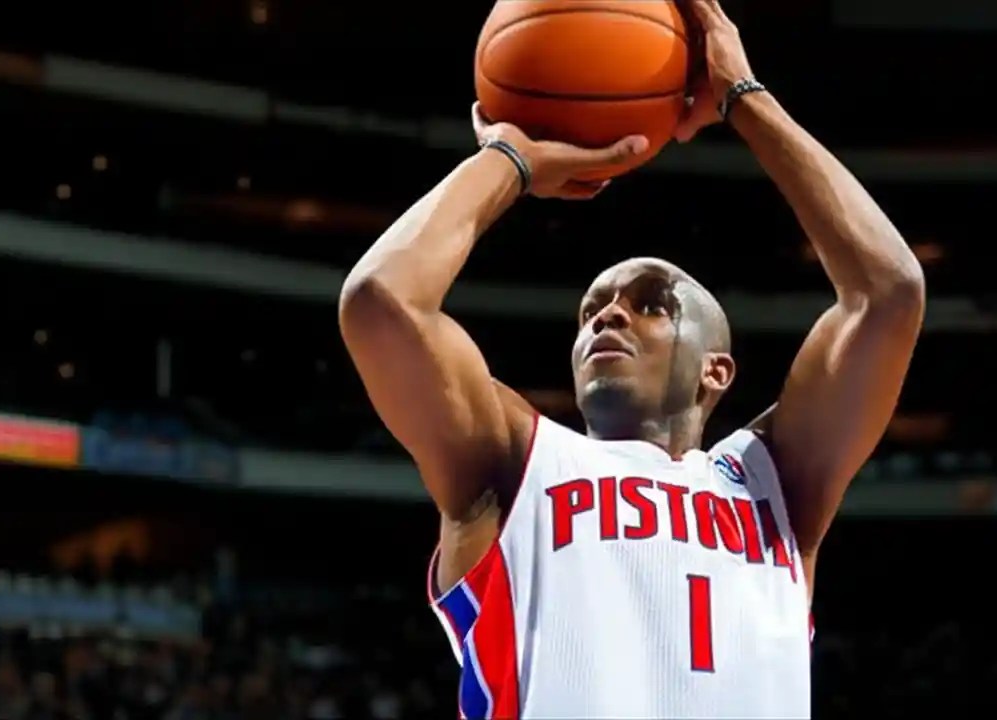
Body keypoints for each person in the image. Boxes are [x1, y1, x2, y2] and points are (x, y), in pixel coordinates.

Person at [338, 1, 925, 717]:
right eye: (592, 310)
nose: (609, 314)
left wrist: (744, 97)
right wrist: (509, 159)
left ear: (717, 369)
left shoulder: (779, 481)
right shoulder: (513, 462)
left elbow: (889, 294)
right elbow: (381, 302)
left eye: (652, 303)